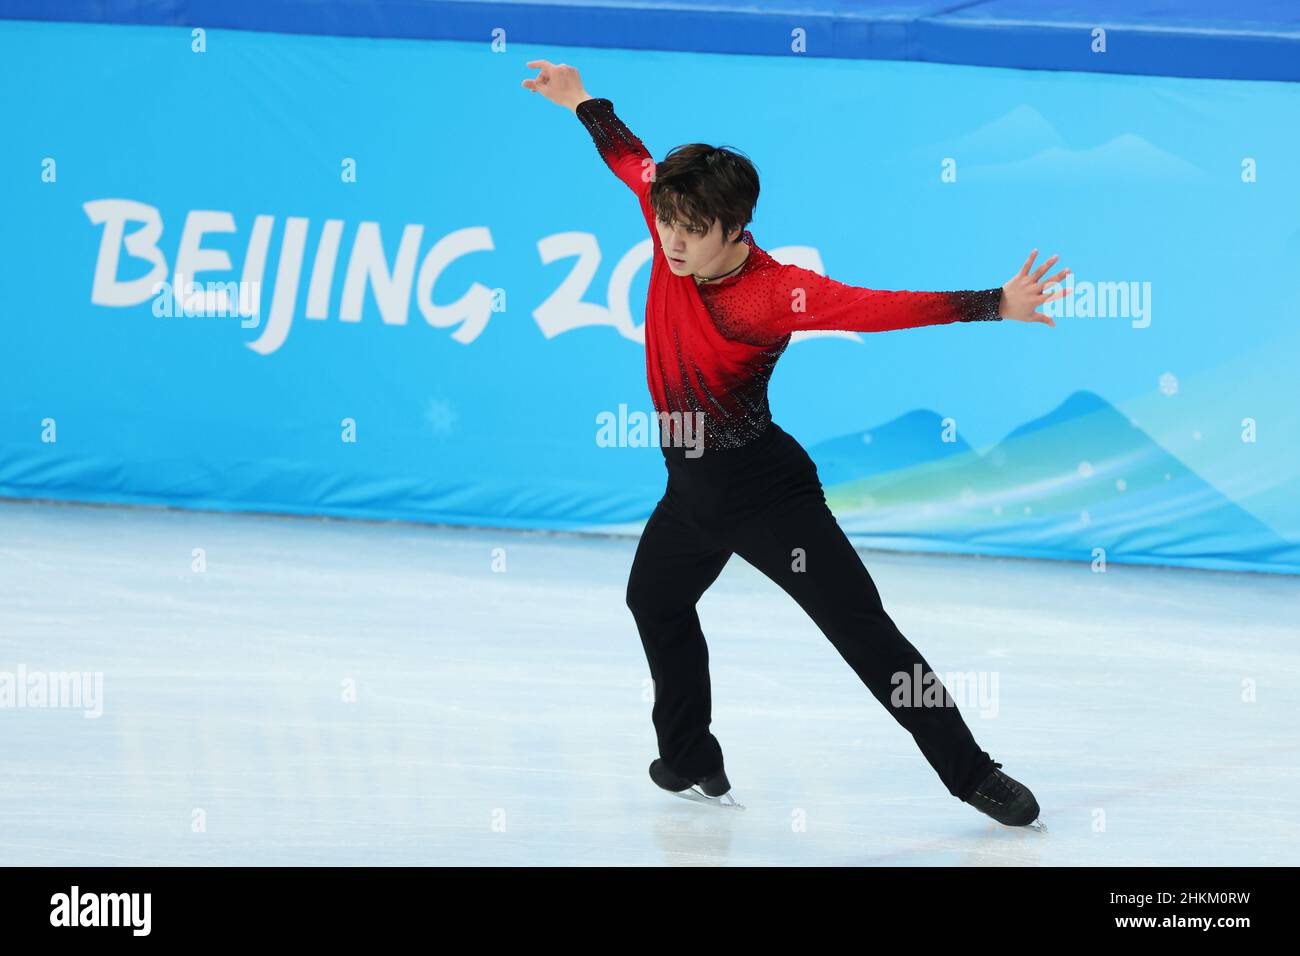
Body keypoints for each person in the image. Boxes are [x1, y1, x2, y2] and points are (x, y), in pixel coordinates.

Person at [523, 60, 1068, 828]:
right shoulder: (670, 210)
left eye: (692, 232)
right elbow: (629, 157)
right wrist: (581, 100)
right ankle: (689, 757)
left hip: (765, 495)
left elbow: (876, 308)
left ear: (736, 229)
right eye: (667, 225)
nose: (672, 243)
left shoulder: (772, 296)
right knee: (654, 598)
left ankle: (973, 772)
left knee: (861, 631)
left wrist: (993, 303)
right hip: (691, 494)